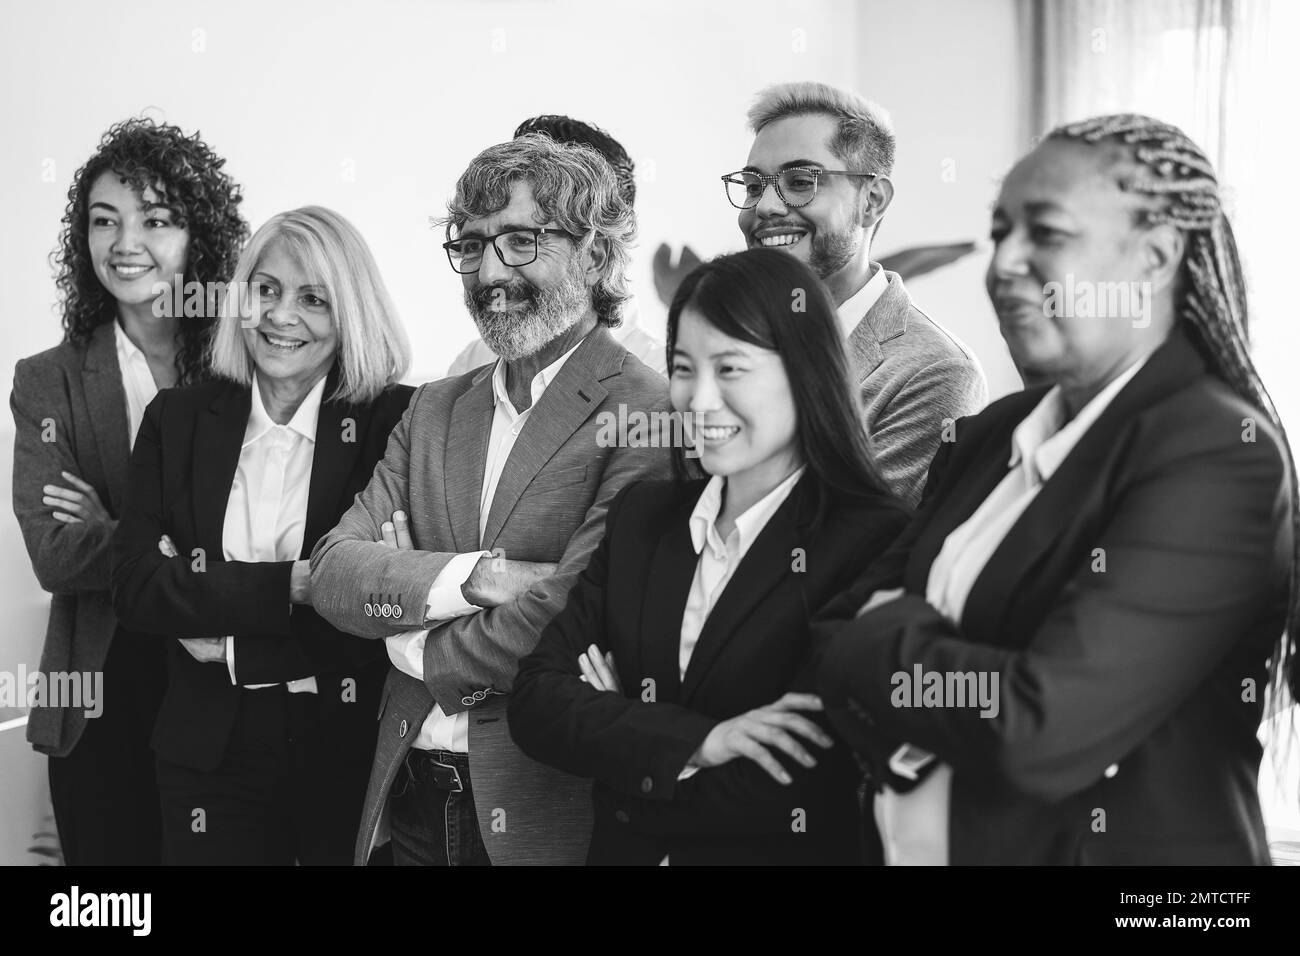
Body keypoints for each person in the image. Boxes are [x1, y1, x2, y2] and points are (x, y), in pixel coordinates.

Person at [814, 114, 1298, 866]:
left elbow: (1036, 732)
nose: (1003, 262)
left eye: (1045, 233)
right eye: (1000, 230)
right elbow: (827, 634)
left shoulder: (1214, 451)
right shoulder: (990, 434)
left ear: (1155, 257)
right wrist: (910, 664)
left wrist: (883, 641)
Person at [309, 134, 672, 866]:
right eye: (471, 246)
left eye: (520, 240)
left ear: (595, 257)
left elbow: (577, 612)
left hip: (545, 809)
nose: (489, 271)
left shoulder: (648, 406)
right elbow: (334, 573)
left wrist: (412, 641)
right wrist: (474, 579)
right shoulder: (436, 407)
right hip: (406, 797)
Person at [508, 248, 911, 865]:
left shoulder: (873, 542)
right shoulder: (644, 517)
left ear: (806, 371)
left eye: (730, 368)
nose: (698, 401)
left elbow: (794, 779)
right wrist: (709, 739)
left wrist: (621, 735)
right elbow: (536, 704)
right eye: (683, 369)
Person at [110, 207, 414, 865]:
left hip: (345, 747)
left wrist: (231, 644)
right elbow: (136, 586)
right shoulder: (180, 418)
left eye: (313, 299)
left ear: (352, 315)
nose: (279, 316)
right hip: (205, 756)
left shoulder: (396, 421)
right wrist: (297, 583)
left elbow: (382, 605)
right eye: (266, 290)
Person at [10, 117, 246, 865]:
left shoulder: (249, 364)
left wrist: (115, 525)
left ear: (198, 235)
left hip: (226, 687)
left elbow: (270, 531)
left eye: (155, 219)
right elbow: (52, 556)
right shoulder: (47, 378)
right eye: (103, 221)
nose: (123, 242)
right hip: (97, 694)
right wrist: (177, 541)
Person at [724, 81, 987, 507]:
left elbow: (846, 545)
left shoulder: (935, 372)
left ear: (872, 200)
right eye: (754, 186)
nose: (766, 206)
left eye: (800, 181)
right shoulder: (729, 341)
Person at [445, 114, 665, 377]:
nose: (490, 273)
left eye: (522, 239)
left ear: (595, 251)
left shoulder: (663, 380)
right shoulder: (472, 365)